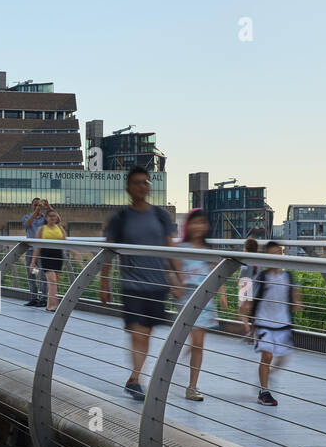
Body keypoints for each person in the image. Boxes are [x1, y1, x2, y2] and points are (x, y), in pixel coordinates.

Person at [97, 166, 181, 400]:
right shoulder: (120, 218)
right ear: (128, 188)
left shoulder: (160, 215)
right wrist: (104, 283)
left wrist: (178, 278)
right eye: (137, 182)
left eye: (145, 182)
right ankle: (135, 379)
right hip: (131, 283)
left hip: (157, 284)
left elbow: (170, 247)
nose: (142, 186)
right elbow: (108, 251)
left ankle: (134, 377)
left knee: (147, 333)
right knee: (138, 333)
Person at [176, 209, 228, 401]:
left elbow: (217, 273)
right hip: (186, 300)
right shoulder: (181, 248)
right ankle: (171, 366)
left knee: (198, 343)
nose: (198, 226)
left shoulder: (208, 250)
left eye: (202, 223)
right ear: (188, 225)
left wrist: (222, 295)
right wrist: (175, 285)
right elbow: (173, 270)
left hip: (205, 302)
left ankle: (192, 386)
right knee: (184, 340)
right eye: (194, 222)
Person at [242, 240, 301, 407]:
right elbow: (251, 299)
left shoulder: (287, 276)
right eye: (272, 254)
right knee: (267, 355)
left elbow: (295, 296)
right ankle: (264, 391)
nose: (276, 256)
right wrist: (246, 318)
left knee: (282, 357)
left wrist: (297, 302)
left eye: (279, 253)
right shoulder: (262, 276)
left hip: (283, 323)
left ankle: (266, 375)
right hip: (263, 322)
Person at [38, 210, 67, 311]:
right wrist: (33, 262)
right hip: (46, 255)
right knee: (52, 281)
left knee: (54, 283)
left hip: (58, 256)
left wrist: (74, 253)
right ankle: (55, 304)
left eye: (54, 216)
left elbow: (65, 242)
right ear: (46, 218)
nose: (52, 218)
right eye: (50, 216)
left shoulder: (60, 228)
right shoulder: (42, 229)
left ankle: (49, 306)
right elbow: (37, 246)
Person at [21, 199, 46, 306]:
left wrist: (48, 207)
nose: (37, 207)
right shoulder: (27, 217)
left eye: (38, 205)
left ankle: (44, 299)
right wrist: (35, 213)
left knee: (43, 276)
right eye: (35, 205)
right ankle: (33, 298)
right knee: (31, 275)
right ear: (32, 206)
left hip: (42, 250)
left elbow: (57, 220)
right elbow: (27, 224)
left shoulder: (45, 218)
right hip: (30, 251)